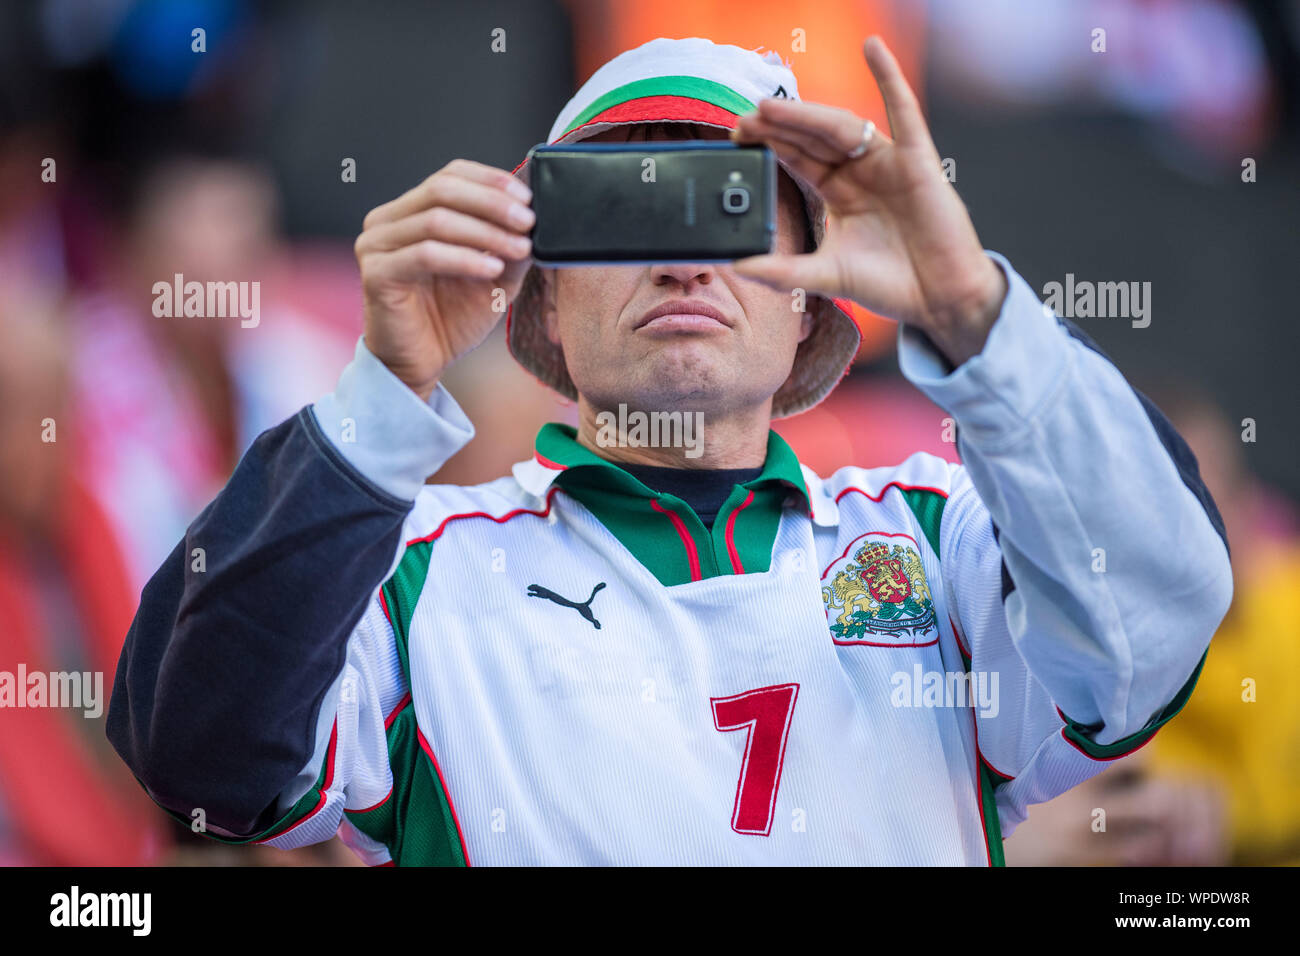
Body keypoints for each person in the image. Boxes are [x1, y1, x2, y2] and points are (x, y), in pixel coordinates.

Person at [107, 36, 1231, 865]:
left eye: (728, 207)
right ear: (541, 293)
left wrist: (974, 309)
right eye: (626, 206)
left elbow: (1162, 617)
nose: (683, 262)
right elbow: (200, 759)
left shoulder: (939, 539)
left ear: (812, 300)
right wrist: (383, 390)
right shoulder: (412, 576)